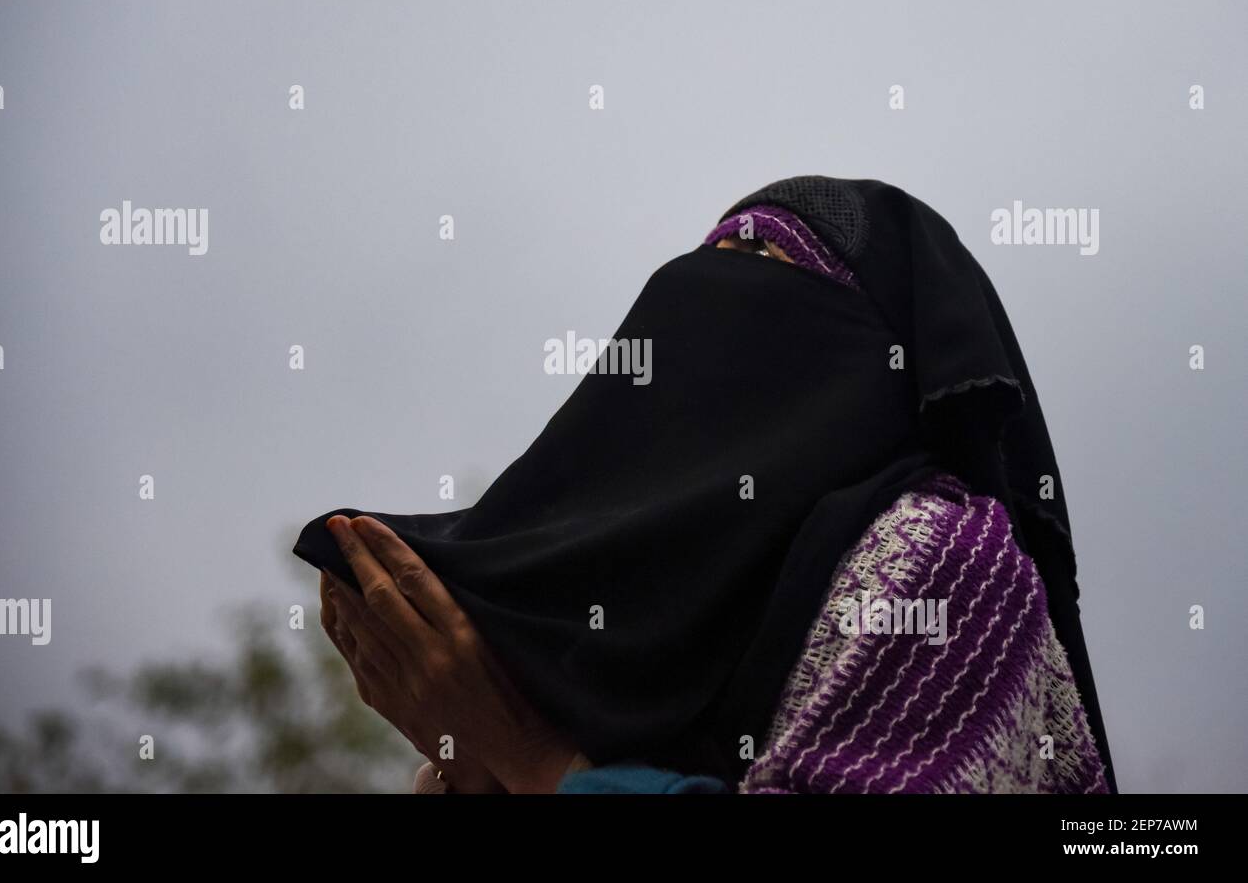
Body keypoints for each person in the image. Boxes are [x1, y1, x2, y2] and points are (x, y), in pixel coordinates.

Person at [299, 176, 1116, 794]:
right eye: (706, 258)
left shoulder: (937, 559)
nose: (700, 290)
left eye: (758, 256)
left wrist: (535, 760)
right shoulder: (651, 646)